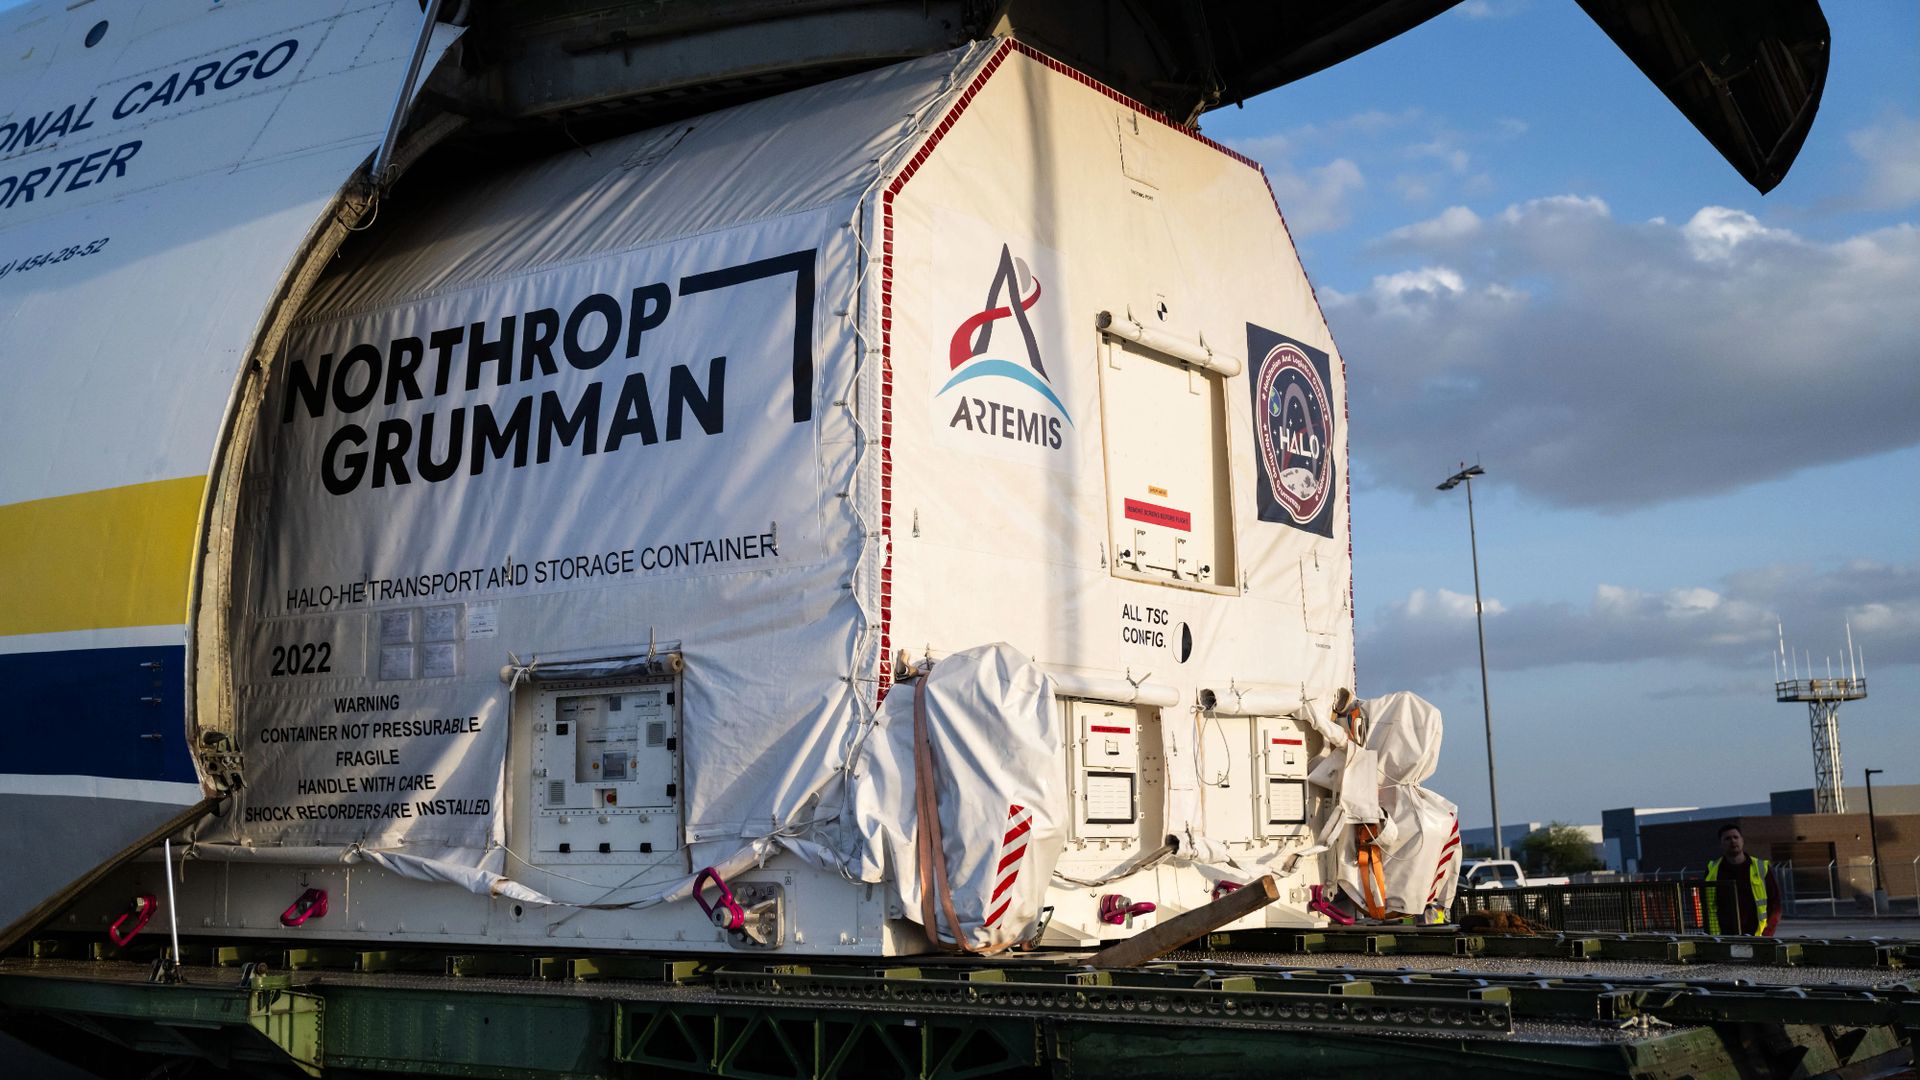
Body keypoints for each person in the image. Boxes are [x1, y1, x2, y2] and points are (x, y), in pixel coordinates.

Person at [1704, 823, 1780, 936]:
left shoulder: (1761, 868)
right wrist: (1714, 936)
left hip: (1757, 936)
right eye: (1727, 838)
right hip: (1724, 936)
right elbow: (1708, 906)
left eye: (1736, 837)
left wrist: (1767, 933)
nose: (1733, 841)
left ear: (1742, 840)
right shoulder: (1713, 870)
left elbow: (1775, 904)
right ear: (1721, 844)